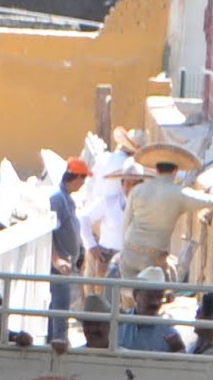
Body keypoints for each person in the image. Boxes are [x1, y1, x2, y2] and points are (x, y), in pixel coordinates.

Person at [116, 143, 213, 281]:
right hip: (153, 258)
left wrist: (124, 250)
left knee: (127, 293)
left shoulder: (137, 190)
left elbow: (126, 224)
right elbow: (209, 201)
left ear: (156, 169)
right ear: (175, 170)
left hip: (129, 252)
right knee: (159, 295)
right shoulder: (179, 194)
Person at [82, 156, 144, 280]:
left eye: (135, 184)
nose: (130, 187)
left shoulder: (145, 207)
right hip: (106, 257)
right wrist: (91, 244)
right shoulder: (109, 201)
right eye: (128, 183)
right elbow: (84, 218)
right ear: (122, 184)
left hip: (133, 258)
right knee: (105, 295)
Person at [48, 157, 88, 344]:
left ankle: (55, 338)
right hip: (60, 263)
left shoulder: (68, 200)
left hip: (68, 260)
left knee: (61, 304)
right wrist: (56, 259)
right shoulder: (57, 199)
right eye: (84, 179)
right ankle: (58, 340)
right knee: (60, 304)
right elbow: (49, 233)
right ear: (77, 178)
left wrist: (80, 251)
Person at [117, 265, 185, 352]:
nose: (155, 302)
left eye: (159, 297)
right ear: (135, 295)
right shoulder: (119, 323)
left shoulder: (169, 333)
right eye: (150, 296)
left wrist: (180, 350)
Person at [190, 290, 213, 354]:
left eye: (199, 313)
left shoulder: (209, 353)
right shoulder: (201, 342)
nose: (196, 317)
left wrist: (180, 349)